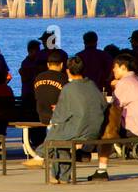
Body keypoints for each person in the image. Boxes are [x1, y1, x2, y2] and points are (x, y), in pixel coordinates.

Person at [88, 50, 138, 182]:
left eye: (115, 67)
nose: (113, 70)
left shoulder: (124, 83)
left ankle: (101, 169)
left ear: (123, 67)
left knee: (107, 126)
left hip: (136, 129)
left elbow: (114, 107)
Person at [39, 56, 107, 184]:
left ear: (68, 71)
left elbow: (59, 116)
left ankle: (42, 156)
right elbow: (103, 105)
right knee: (59, 135)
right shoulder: (92, 85)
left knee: (56, 133)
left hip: (79, 130)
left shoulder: (69, 88)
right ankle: (61, 176)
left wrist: (55, 119)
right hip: (94, 129)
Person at [26, 49, 69, 165]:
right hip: (57, 116)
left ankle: (42, 155)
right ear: (61, 64)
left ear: (48, 64)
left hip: (41, 114)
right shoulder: (64, 79)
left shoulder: (38, 77)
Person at [18, 39, 43, 107]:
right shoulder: (26, 63)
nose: (39, 52)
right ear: (30, 51)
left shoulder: (38, 62)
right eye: (37, 50)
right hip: (29, 93)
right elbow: (26, 79)